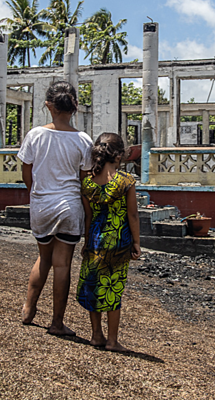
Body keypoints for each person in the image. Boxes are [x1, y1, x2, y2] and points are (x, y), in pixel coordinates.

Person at [17, 81, 93, 336]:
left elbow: (27, 171)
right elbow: (85, 181)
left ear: (48, 105)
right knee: (62, 265)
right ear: (75, 107)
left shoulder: (35, 135)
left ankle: (29, 308)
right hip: (70, 206)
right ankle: (57, 323)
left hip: (41, 204)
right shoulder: (83, 140)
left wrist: (36, 194)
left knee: (44, 258)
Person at [76, 132, 141, 352]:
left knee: (94, 285)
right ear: (119, 155)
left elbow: (88, 217)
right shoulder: (126, 181)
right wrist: (137, 242)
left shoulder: (87, 183)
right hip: (119, 241)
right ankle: (112, 340)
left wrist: (86, 243)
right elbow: (132, 215)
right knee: (114, 290)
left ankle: (96, 335)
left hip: (95, 240)